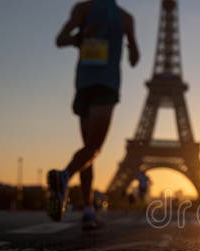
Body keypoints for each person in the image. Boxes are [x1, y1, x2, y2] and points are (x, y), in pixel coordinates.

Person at [47, 0, 140, 230]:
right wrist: (82, 37)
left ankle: (88, 210)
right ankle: (64, 176)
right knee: (93, 149)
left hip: (86, 84)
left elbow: (61, 39)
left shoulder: (85, 9)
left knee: (88, 149)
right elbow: (135, 57)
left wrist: (80, 37)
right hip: (103, 85)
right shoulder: (123, 17)